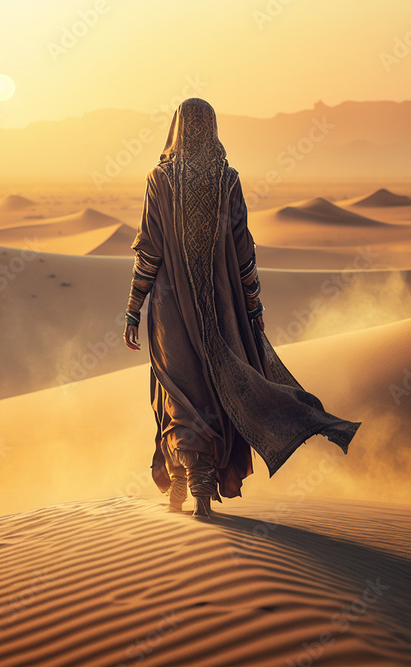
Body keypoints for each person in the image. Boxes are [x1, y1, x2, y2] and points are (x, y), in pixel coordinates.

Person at [123, 98, 360, 520]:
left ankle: (189, 481)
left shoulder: (160, 178)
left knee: (178, 394)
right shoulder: (227, 180)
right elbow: (243, 250)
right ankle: (192, 484)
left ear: (176, 128)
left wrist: (133, 308)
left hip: (171, 312)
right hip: (220, 309)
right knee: (212, 390)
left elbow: (150, 251)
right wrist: (252, 307)